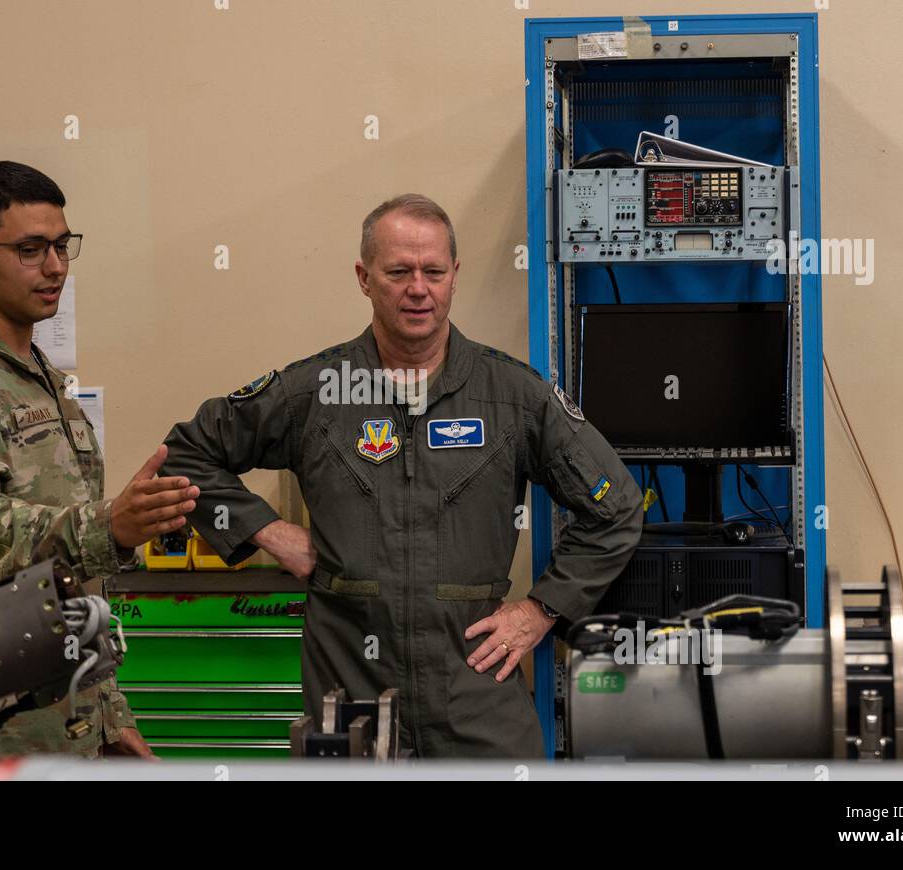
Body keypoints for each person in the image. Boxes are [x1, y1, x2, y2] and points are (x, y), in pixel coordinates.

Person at [162, 194, 642, 757]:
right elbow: (184, 455)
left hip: (475, 702)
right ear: (364, 278)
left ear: (454, 277)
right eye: (399, 272)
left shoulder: (512, 397)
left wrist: (541, 610)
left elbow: (617, 508)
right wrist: (269, 532)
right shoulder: (317, 391)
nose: (419, 288)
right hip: (351, 701)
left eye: (433, 271)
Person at [0, 161, 198, 757]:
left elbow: (71, 591)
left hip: (58, 726)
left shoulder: (39, 380)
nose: (55, 267)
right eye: (30, 249)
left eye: (61, 246)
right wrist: (109, 527)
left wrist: (109, 717)